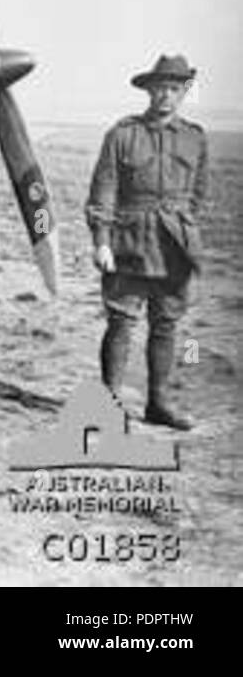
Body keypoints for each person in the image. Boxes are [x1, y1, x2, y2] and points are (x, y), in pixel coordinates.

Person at [85, 54, 208, 430]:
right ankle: (108, 405)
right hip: (130, 243)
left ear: (183, 92)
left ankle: (159, 404)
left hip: (174, 247)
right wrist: (102, 241)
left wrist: (183, 228)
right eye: (160, 88)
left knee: (166, 324)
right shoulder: (123, 134)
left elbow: (198, 194)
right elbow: (104, 190)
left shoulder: (195, 138)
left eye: (173, 88)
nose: (166, 96)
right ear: (149, 91)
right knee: (121, 322)